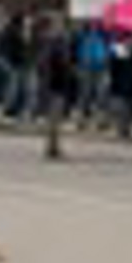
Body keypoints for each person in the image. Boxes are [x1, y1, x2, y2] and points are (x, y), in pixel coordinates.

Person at [37, 17, 77, 161]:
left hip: (57, 84)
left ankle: (53, 146)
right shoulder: (53, 44)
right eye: (59, 26)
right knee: (54, 118)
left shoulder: (54, 43)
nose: (62, 29)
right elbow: (48, 65)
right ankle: (52, 147)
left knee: (55, 119)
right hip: (54, 84)